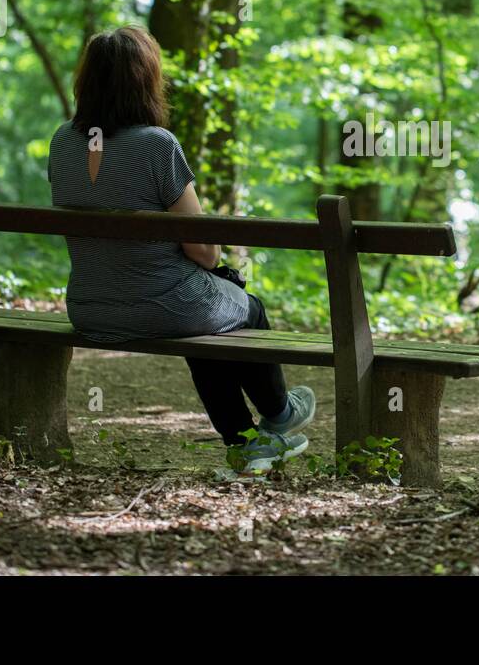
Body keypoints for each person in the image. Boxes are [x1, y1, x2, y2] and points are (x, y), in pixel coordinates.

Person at [46, 25, 314, 473]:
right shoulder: (156, 145)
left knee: (205, 318)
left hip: (89, 308)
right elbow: (205, 253)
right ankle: (279, 414)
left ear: (86, 81)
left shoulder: (63, 142)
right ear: (144, 80)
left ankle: (249, 442)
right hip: (161, 305)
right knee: (245, 308)